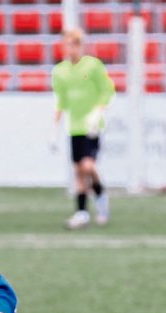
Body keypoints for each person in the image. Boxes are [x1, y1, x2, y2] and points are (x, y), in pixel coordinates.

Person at [51, 27, 115, 230]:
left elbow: (107, 89)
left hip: (91, 126)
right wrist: (55, 128)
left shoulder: (93, 66)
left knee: (88, 166)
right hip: (75, 126)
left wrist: (98, 112)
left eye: (75, 43)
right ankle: (82, 212)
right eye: (68, 43)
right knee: (78, 170)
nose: (71, 48)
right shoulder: (60, 71)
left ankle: (101, 196)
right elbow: (61, 101)